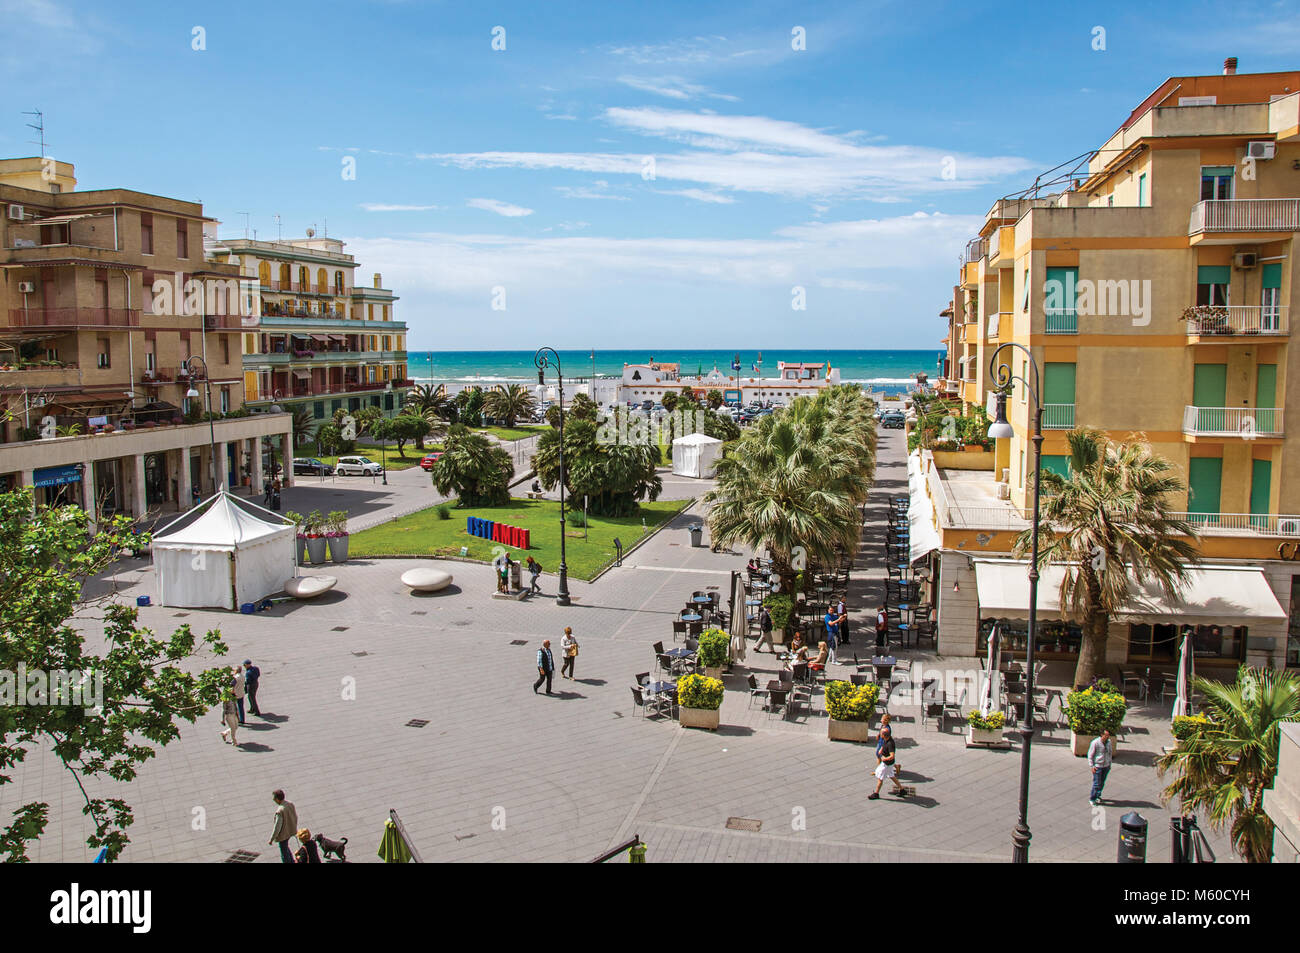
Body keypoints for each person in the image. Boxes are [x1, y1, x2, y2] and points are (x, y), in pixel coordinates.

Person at [868, 724, 907, 799]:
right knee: (892, 776)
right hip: (889, 764)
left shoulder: (890, 744)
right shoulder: (887, 739)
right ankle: (902, 790)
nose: (880, 734)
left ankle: (876, 794)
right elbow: (883, 745)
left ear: (883, 735)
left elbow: (892, 756)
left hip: (886, 764)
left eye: (881, 733)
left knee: (880, 778)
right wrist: (881, 749)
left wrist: (885, 759)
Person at [269, 790, 299, 864]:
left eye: (274, 798)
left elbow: (277, 827)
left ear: (277, 799)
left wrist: (272, 839)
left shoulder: (280, 811)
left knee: (284, 852)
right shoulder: (290, 804)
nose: (273, 800)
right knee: (285, 847)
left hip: (283, 834)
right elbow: (295, 816)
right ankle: (291, 861)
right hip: (291, 830)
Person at [1088, 728, 1113, 805]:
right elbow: (1090, 755)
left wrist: (1109, 763)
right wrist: (1092, 766)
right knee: (1096, 783)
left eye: (1108, 735)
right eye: (1106, 735)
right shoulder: (1095, 743)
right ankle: (1092, 798)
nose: (1107, 736)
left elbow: (1110, 753)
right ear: (1102, 735)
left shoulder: (1109, 743)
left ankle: (1098, 795)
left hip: (1106, 766)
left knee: (1102, 782)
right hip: (1098, 766)